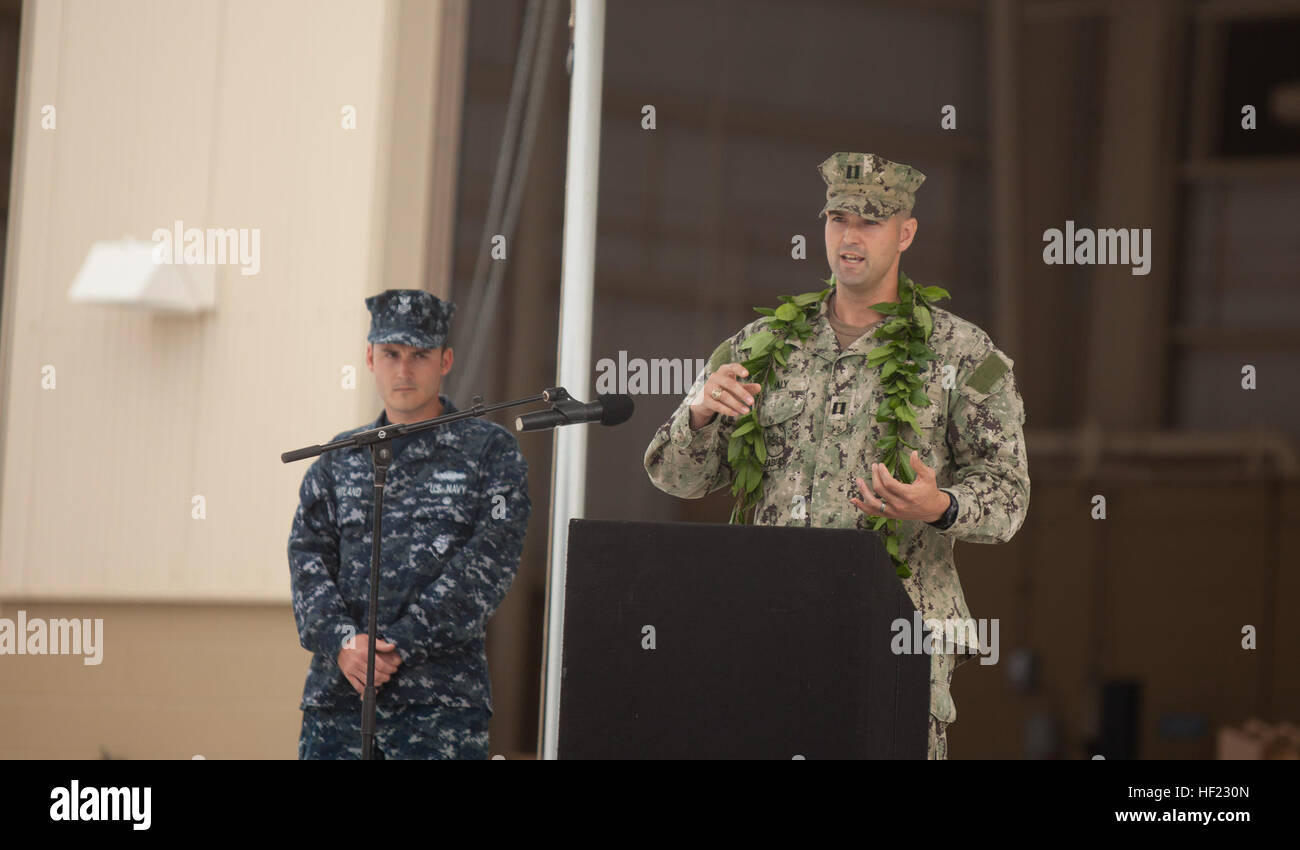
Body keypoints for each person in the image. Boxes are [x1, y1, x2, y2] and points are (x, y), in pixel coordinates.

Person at [643, 152, 1030, 759]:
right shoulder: (762, 344)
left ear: (905, 232)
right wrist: (697, 415)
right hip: (770, 630)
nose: (850, 236)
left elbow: (1009, 495)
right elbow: (677, 477)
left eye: (871, 221)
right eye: (838, 217)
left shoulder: (962, 353)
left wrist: (940, 504)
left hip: (896, 632)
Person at [289, 288, 531, 759]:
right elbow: (307, 561)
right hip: (339, 702)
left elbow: (488, 566)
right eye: (391, 353)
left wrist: (397, 645)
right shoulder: (337, 459)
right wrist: (343, 643)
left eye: (419, 355)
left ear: (445, 361)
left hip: (438, 709)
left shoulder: (489, 454)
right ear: (369, 357)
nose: (403, 370)